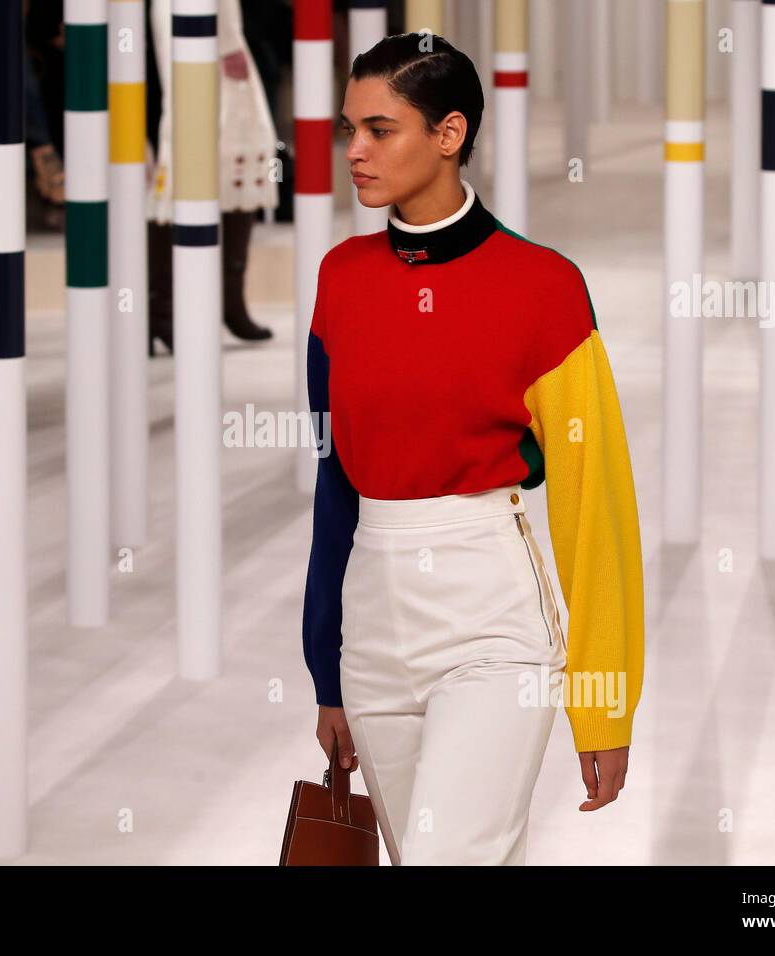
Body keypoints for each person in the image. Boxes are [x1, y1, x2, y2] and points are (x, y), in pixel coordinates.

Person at [301, 33, 645, 865]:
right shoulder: (341, 280)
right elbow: (333, 481)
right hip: (374, 623)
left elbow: (596, 502)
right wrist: (326, 669)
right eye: (350, 130)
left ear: (449, 134)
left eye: (380, 130)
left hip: (492, 619)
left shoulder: (544, 289)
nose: (356, 152)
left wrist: (603, 701)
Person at [145, 0, 279, 355]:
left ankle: (214, 299)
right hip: (202, 21)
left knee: (213, 145)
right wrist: (229, 40)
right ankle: (165, 305)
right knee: (212, 141)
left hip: (202, 19)